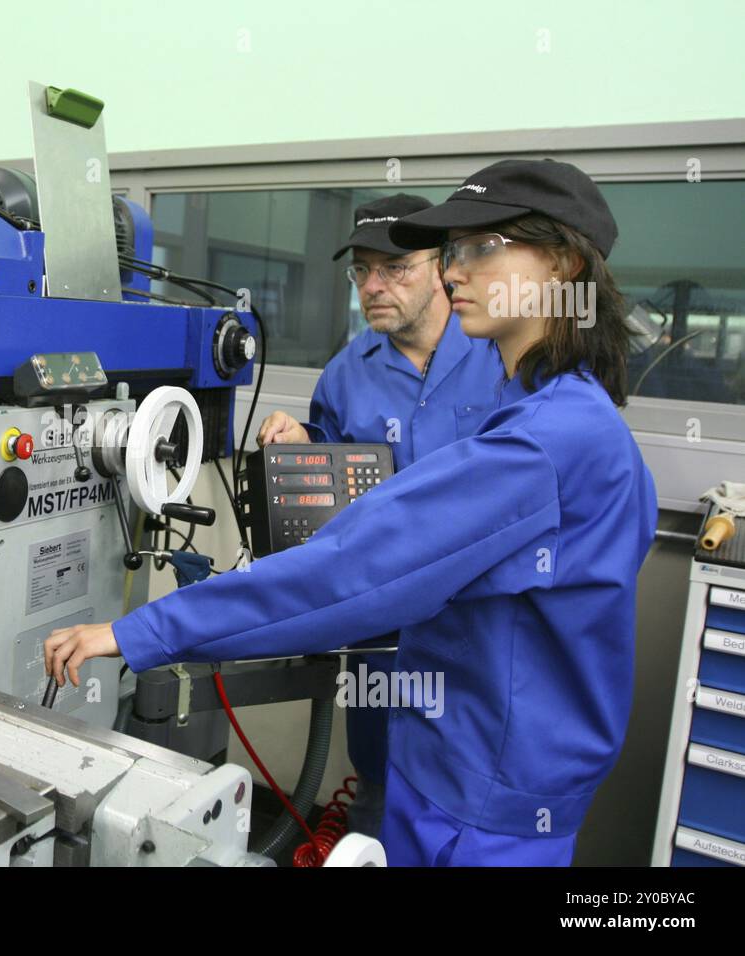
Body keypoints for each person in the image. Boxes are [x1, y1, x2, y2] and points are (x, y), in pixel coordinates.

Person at [44, 158, 658, 866]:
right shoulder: (560, 413)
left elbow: (358, 568)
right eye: (452, 252)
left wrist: (139, 629)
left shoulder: (548, 440)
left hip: (482, 802)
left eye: (482, 248)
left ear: (562, 264)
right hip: (447, 762)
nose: (456, 272)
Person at [258, 193, 505, 837]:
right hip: (384, 645)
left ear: (444, 266)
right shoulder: (345, 374)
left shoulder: (503, 359)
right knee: (379, 804)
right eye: (362, 270)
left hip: (481, 641)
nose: (373, 286)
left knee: (474, 811)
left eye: (394, 269)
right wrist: (301, 446)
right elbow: (334, 488)